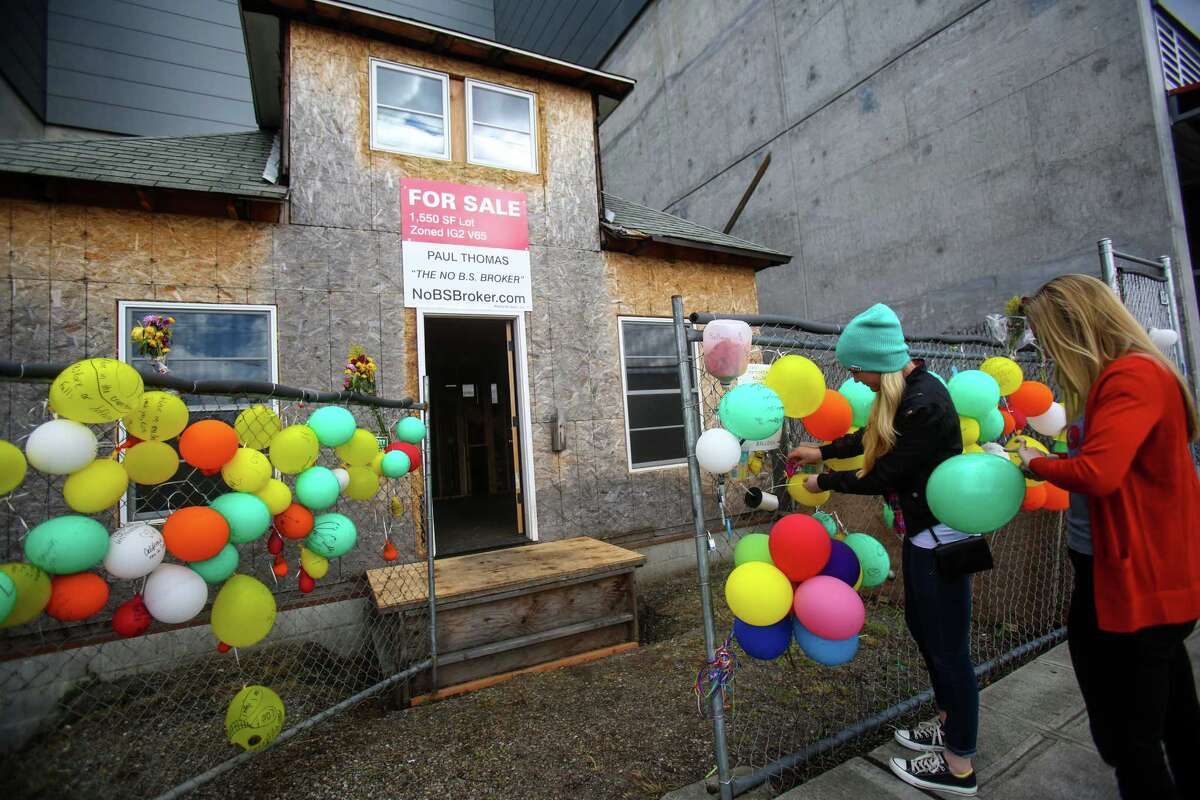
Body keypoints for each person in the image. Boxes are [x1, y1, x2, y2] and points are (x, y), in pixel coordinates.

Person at [1017, 274, 1200, 800]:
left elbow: (1100, 472)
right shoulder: (1121, 379)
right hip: (1125, 571)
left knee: (1130, 734)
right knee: (1172, 711)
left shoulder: (1132, 378)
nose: (1046, 353)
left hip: (1134, 578)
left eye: (1047, 338)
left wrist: (1039, 463)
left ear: (1076, 329)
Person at [788, 303, 978, 796]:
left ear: (879, 361)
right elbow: (872, 436)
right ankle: (948, 726)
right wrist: (821, 450)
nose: (855, 378)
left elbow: (888, 472)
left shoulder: (925, 403)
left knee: (949, 650)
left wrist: (823, 478)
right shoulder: (903, 395)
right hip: (922, 539)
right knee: (926, 632)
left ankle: (960, 766)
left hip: (944, 544)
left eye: (856, 368)